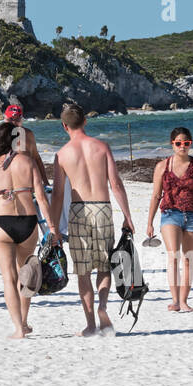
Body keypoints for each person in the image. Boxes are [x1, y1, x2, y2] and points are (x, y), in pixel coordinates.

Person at [50, 103, 135, 336]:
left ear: (64, 126)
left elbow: (57, 194)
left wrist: (54, 227)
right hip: (102, 209)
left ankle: (89, 325)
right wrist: (127, 216)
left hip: (78, 211)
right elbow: (116, 184)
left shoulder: (62, 154)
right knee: (105, 266)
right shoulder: (101, 147)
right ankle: (103, 306)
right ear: (85, 121)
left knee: (83, 270)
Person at [0, 122, 53, 339]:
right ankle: (25, 321)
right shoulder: (27, 162)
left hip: (1, 223)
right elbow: (42, 198)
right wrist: (52, 228)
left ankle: (18, 328)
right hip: (27, 222)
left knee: (8, 278)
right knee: (25, 274)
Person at [145, 127, 193, 312]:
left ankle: (184, 301)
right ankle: (175, 301)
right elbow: (156, 196)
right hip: (170, 214)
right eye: (178, 143)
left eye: (186, 143)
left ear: (190, 144)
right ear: (172, 144)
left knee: (188, 259)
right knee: (173, 256)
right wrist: (149, 222)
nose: (182, 147)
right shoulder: (162, 167)